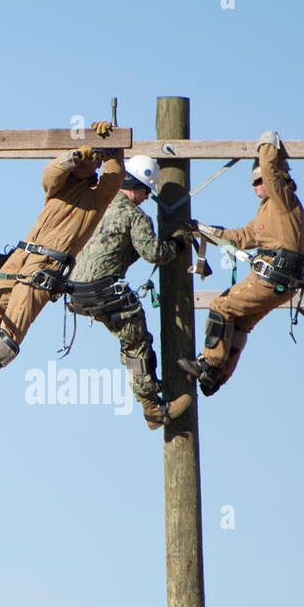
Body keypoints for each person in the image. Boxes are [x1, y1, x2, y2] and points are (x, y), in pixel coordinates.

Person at [0, 122, 124, 396]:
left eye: (89, 160)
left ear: (96, 166)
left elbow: (115, 177)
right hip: (21, 256)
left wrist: (112, 149)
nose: (78, 165)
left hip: (46, 266)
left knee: (12, 326)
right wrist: (77, 154)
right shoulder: (58, 188)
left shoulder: (96, 198)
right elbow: (49, 172)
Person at [177, 130, 304, 395]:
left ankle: (209, 364)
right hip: (281, 280)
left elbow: (270, 170)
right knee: (238, 322)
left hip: (271, 277)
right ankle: (217, 377)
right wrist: (202, 230)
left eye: (258, 180)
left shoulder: (282, 199)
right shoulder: (268, 211)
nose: (255, 186)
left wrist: (266, 142)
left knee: (221, 305)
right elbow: (242, 237)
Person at [67, 155, 192, 429]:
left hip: (76, 293)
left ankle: (146, 391)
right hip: (104, 292)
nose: (147, 197)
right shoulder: (135, 216)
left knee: (130, 342)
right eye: (147, 191)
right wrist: (178, 243)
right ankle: (152, 408)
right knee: (136, 346)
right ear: (136, 186)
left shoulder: (98, 203)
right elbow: (154, 253)